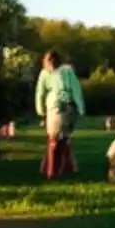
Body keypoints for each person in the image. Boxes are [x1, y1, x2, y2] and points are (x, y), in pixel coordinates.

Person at [34, 50, 86, 179]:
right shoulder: (44, 73)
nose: (51, 63)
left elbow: (76, 89)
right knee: (56, 139)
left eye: (53, 60)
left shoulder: (67, 71)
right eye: (48, 60)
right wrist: (41, 111)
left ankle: (58, 169)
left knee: (61, 138)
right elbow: (40, 92)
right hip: (53, 108)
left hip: (67, 107)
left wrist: (80, 107)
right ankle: (54, 169)